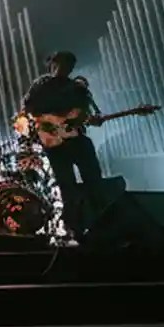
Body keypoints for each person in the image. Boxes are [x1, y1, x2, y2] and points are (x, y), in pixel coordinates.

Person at [14, 51, 103, 239]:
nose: (64, 68)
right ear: (53, 65)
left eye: (69, 65)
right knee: (66, 185)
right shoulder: (41, 85)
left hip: (74, 138)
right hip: (54, 144)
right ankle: (73, 227)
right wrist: (41, 126)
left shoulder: (77, 88)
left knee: (93, 179)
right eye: (61, 64)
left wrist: (91, 119)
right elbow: (26, 111)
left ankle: (98, 218)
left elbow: (86, 113)